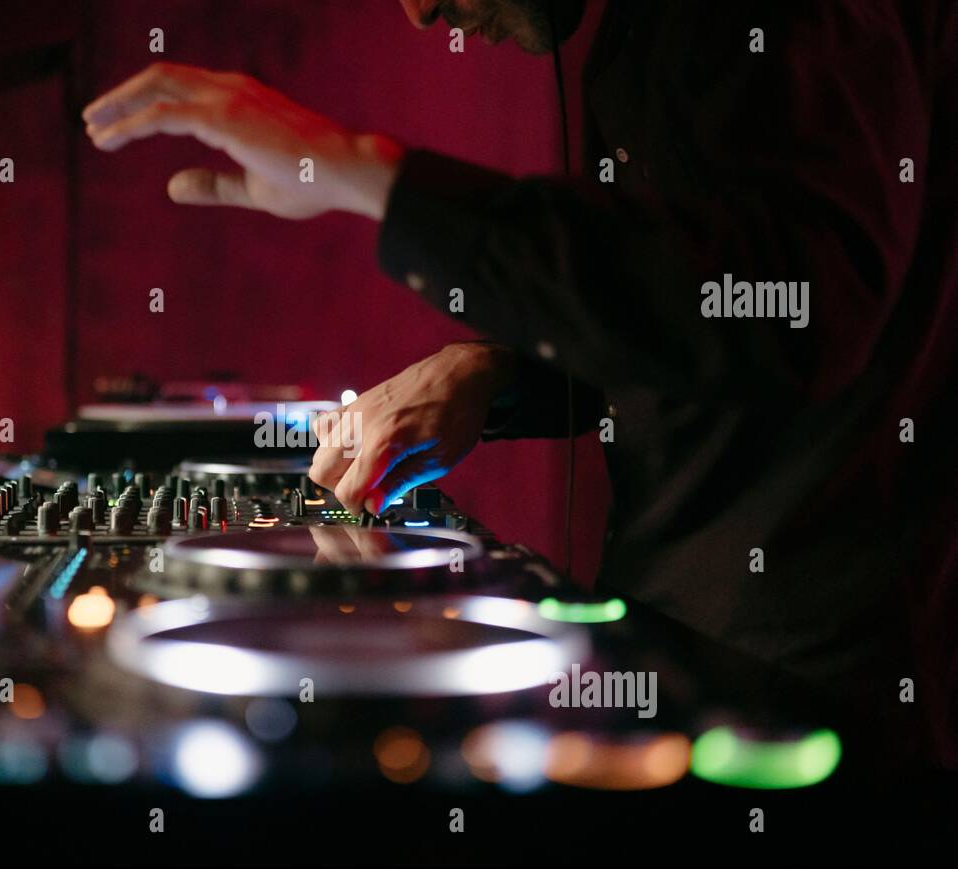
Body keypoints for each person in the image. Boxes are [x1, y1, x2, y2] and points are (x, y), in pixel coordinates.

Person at [83, 0, 958, 763]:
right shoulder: (640, 33)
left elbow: (802, 306)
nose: (421, 12)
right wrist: (492, 371)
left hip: (826, 683)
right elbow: (681, 306)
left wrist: (370, 174)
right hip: (692, 633)